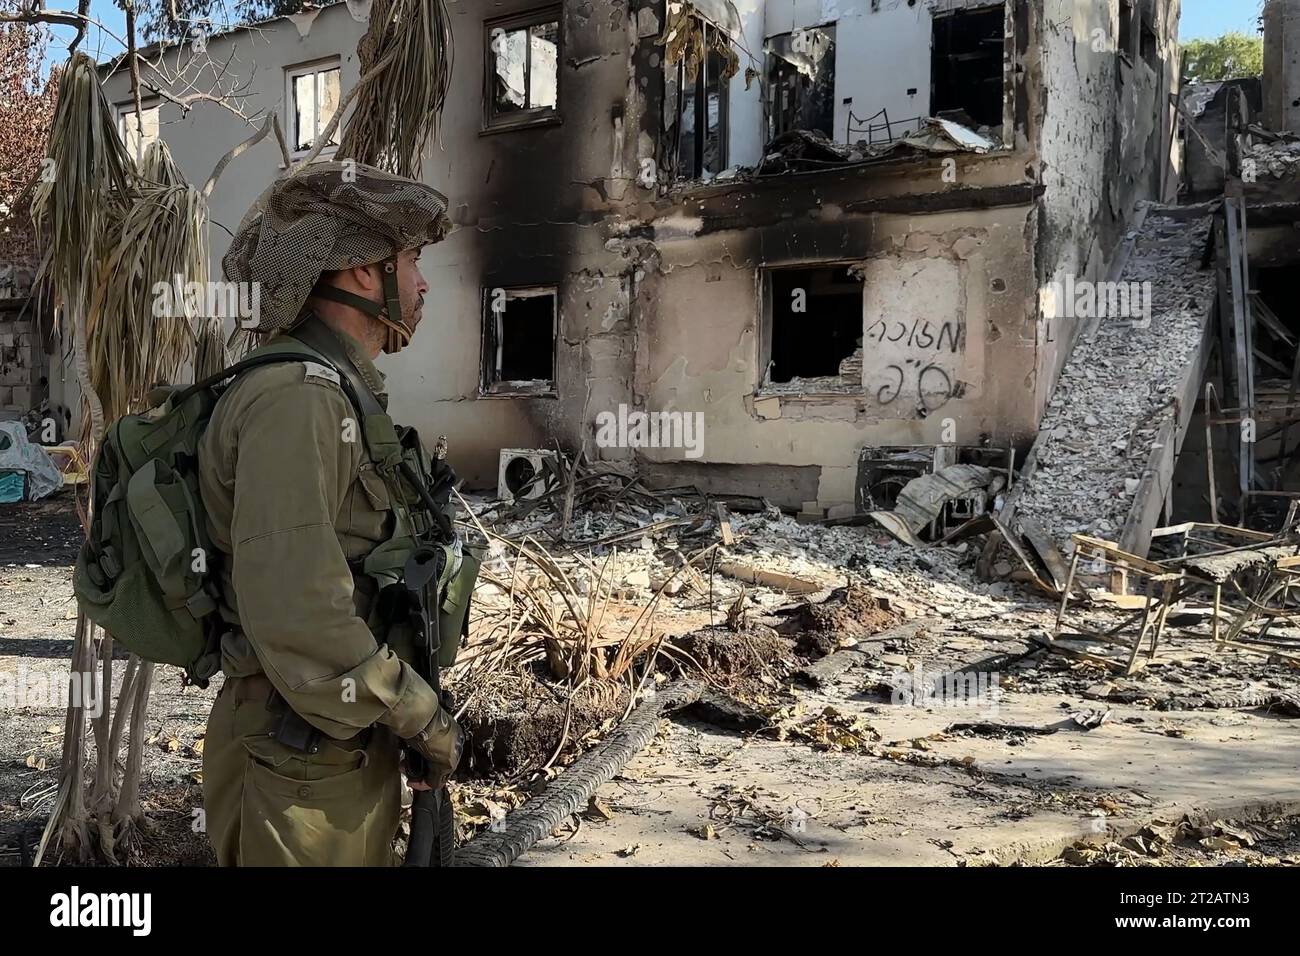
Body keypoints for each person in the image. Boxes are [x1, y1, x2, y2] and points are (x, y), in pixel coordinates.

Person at [197, 161, 463, 866]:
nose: (423, 282)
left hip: (331, 746)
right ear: (360, 274)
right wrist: (418, 714)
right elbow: (299, 611)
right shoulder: (298, 398)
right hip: (301, 763)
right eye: (410, 259)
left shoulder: (336, 393)